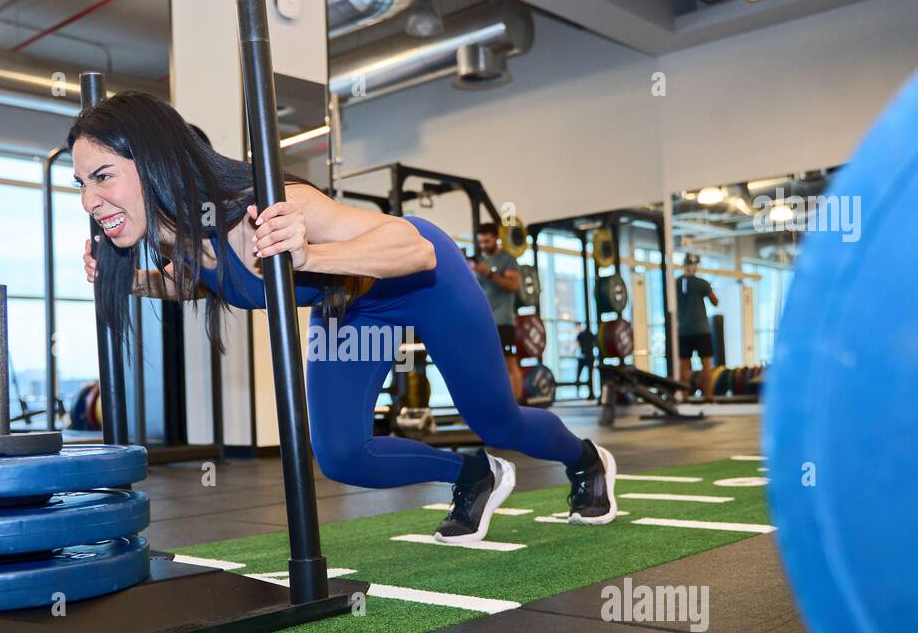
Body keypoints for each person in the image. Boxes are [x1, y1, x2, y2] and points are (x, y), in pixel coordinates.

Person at [74, 91, 617, 543]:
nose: (89, 200)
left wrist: (311, 258)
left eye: (103, 176)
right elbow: (197, 280)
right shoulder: (181, 236)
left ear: (156, 163)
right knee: (341, 456)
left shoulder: (271, 207)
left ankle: (586, 459)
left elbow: (415, 249)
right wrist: (130, 281)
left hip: (421, 280)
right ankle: (474, 473)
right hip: (351, 306)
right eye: (82, 184)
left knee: (497, 420)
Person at [469, 222, 524, 401]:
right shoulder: (480, 262)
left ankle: (518, 407)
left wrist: (490, 274)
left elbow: (514, 285)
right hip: (482, 322)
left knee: (509, 364)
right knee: (484, 365)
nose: (483, 245)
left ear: (496, 238)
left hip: (503, 321)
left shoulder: (507, 259)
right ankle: (493, 404)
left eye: (487, 241)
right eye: (481, 242)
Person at [675, 253, 720, 401]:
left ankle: (685, 398)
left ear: (684, 265)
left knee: (684, 367)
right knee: (706, 366)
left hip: (683, 331)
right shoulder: (702, 283)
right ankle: (708, 397)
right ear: (695, 266)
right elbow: (715, 302)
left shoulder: (675, 283)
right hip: (701, 330)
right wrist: (709, 289)